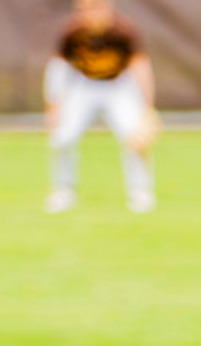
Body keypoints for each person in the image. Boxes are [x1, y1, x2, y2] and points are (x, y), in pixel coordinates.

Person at [43, 0, 159, 214]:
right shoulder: (72, 32)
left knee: (135, 137)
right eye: (88, 8)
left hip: (118, 86)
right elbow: (58, 68)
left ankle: (141, 192)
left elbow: (140, 66)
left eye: (99, 7)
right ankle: (62, 191)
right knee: (62, 137)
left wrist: (147, 107)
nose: (94, 13)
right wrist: (53, 104)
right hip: (84, 86)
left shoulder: (123, 31)